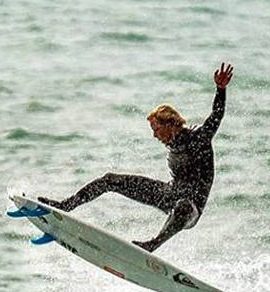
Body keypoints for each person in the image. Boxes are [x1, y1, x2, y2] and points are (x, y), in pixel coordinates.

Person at [42, 62, 233, 253]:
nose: (155, 135)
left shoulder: (198, 137)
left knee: (182, 206)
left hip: (191, 209)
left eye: (156, 129)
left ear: (170, 124)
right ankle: (66, 205)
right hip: (169, 194)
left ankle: (152, 244)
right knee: (110, 180)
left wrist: (220, 89)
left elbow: (216, 115)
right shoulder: (174, 143)